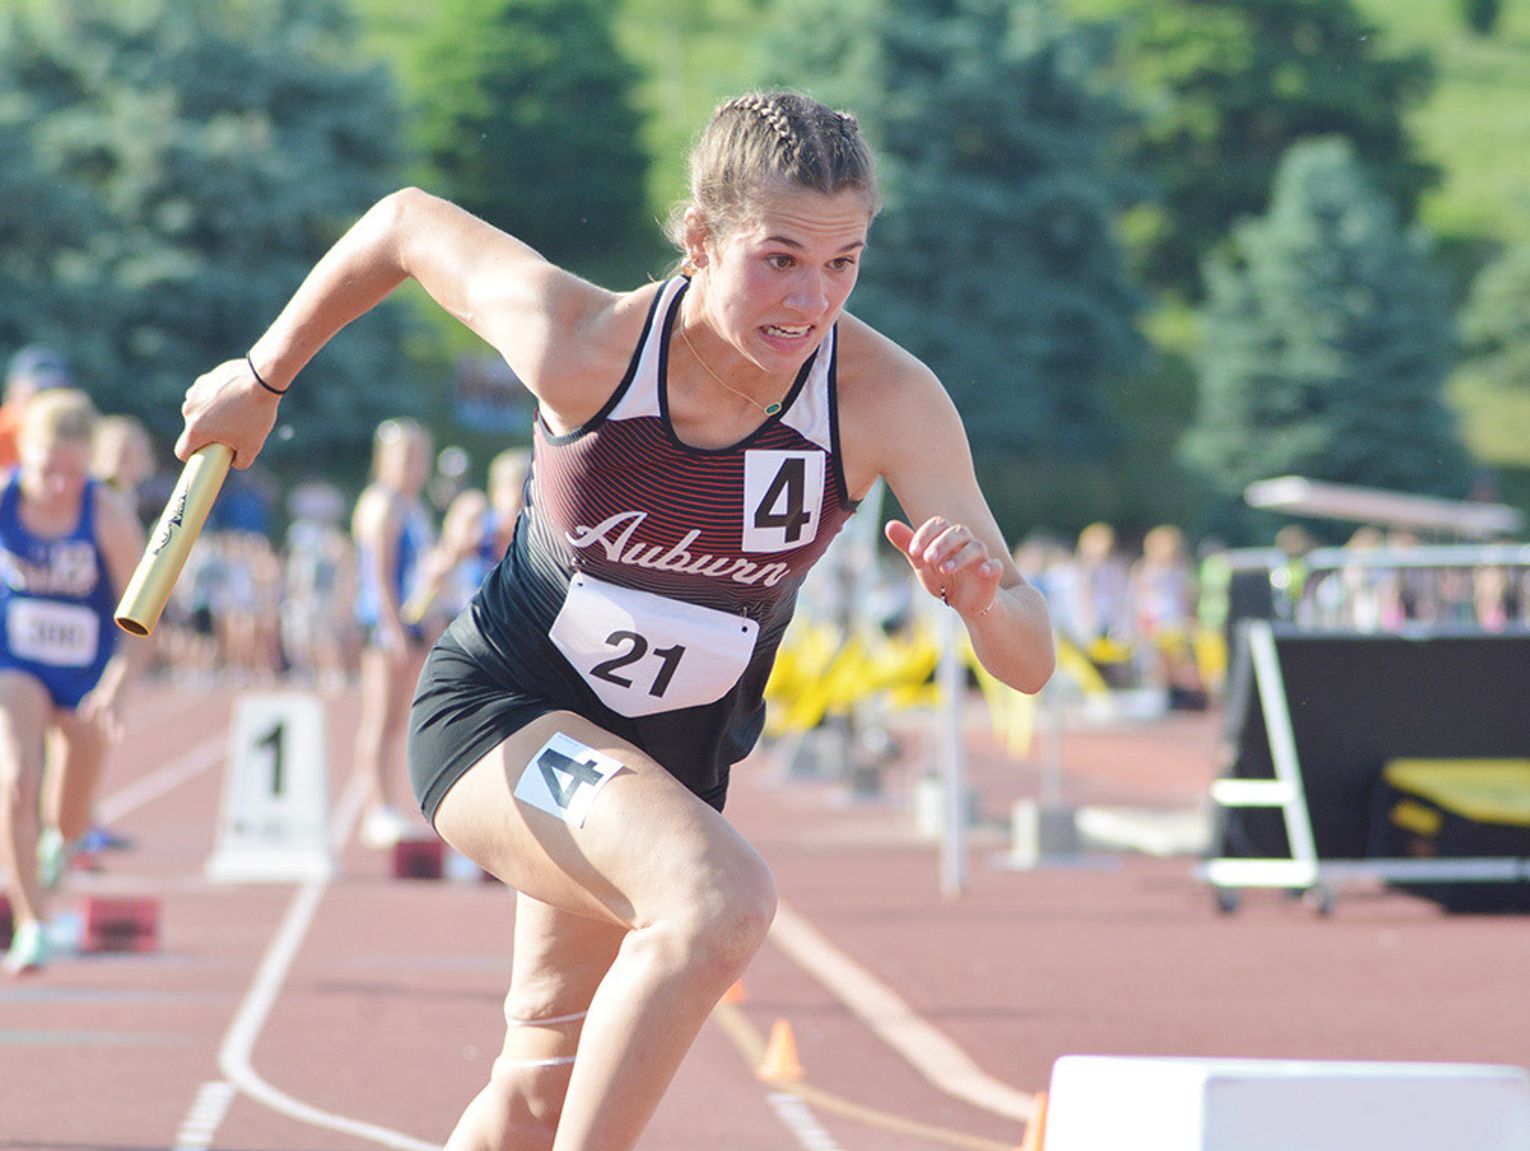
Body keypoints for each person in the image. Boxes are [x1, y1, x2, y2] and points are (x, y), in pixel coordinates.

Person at [173, 90, 1055, 1151]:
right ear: (699, 237)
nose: (811, 300)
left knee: (538, 1088)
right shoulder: (584, 341)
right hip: (507, 714)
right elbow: (403, 222)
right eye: (778, 258)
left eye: (843, 262)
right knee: (717, 897)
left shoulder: (883, 398)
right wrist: (262, 378)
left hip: (663, 763)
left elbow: (1032, 658)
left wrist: (981, 599)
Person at [1, 390, 147, 975]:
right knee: (16, 777)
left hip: (89, 671)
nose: (60, 485)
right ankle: (33, 925)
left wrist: (116, 683)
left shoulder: (106, 513)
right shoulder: (5, 499)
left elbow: (145, 609)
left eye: (72, 472)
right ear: (21, 457)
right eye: (46, 471)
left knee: (72, 818)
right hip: (17, 661)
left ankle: (60, 844)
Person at [351, 417, 437, 847]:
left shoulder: (413, 506)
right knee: (381, 718)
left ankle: (391, 805)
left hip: (414, 623)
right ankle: (376, 807)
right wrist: (393, 628)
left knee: (400, 720)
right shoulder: (380, 504)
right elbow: (379, 576)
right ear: (383, 461)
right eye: (404, 457)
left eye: (419, 457)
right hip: (388, 627)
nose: (413, 465)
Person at [0, 346, 74, 470]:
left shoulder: (68, 438)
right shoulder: (3, 432)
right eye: (38, 392)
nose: (45, 403)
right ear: (13, 390)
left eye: (53, 394)